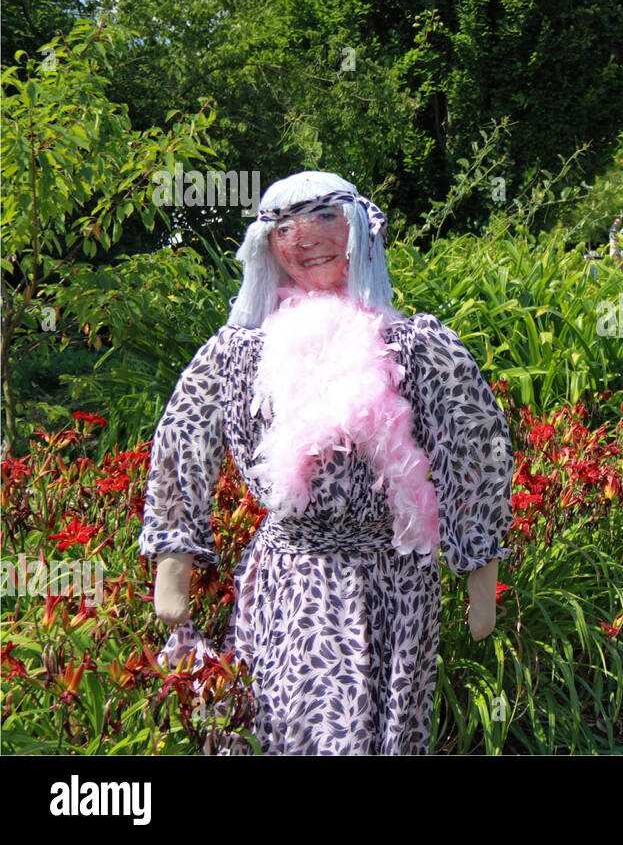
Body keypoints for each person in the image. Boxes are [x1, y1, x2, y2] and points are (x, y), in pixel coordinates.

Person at [140, 171, 512, 754]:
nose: (303, 237)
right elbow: (183, 439)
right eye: (284, 225)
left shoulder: (414, 347)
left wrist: (479, 569)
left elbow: (477, 446)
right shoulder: (239, 353)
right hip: (294, 575)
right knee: (301, 726)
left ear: (360, 230)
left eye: (324, 219)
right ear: (267, 243)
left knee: (390, 728)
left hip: (395, 579)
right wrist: (174, 556)